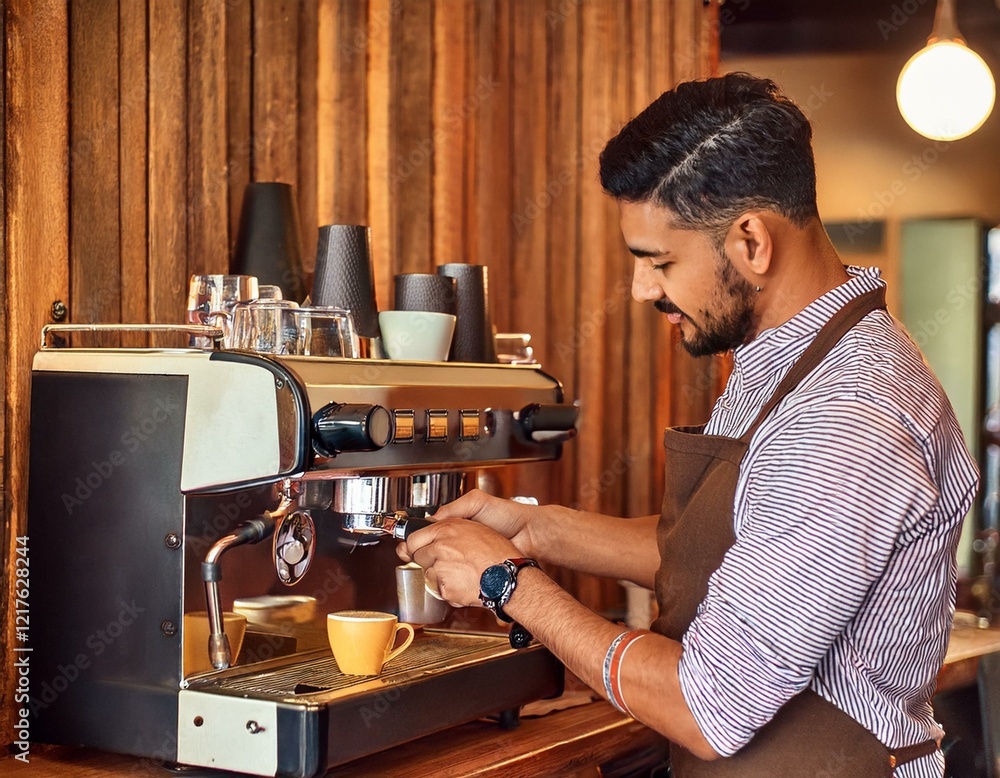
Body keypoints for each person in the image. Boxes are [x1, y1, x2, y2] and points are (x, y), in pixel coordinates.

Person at [398, 73, 979, 776]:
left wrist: (506, 582)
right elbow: (750, 545)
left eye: (658, 261)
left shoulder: (845, 417)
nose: (642, 289)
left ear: (751, 243)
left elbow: (711, 706)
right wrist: (536, 528)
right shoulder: (787, 358)